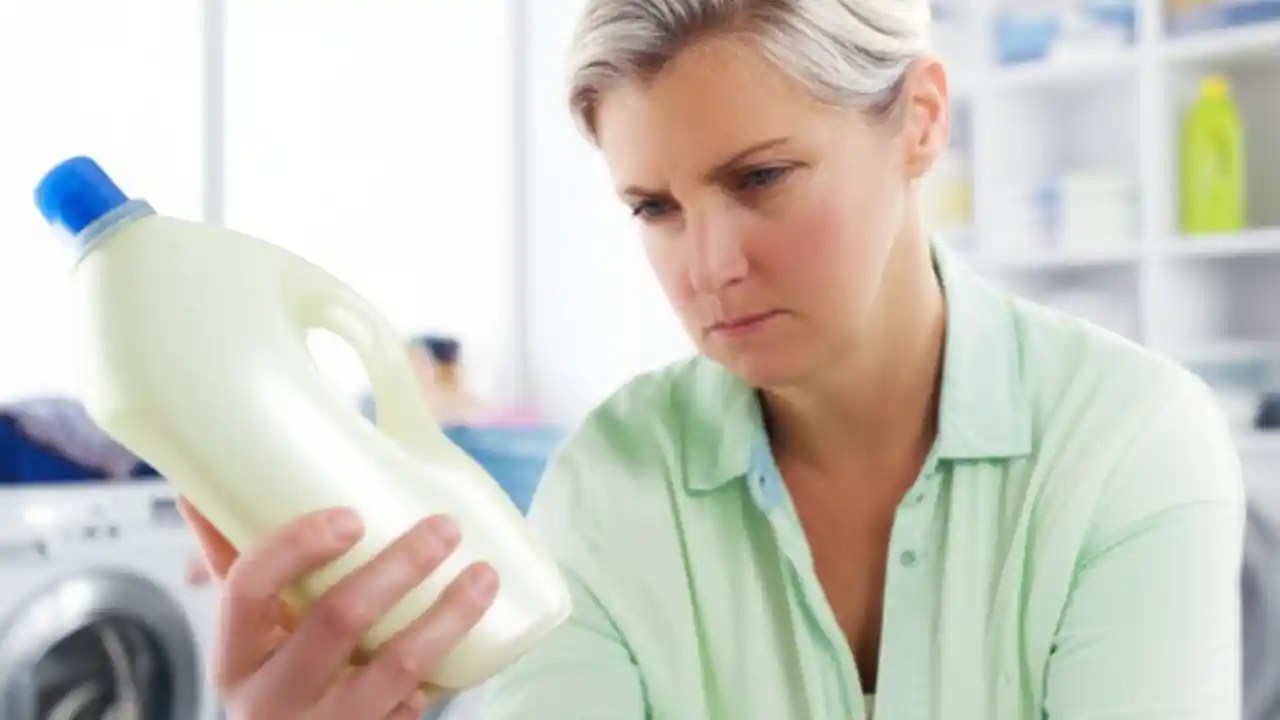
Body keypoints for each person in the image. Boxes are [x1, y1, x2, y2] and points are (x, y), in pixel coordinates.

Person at [184, 1, 1247, 718]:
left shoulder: (1127, 443)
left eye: (761, 178)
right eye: (653, 206)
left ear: (918, 122)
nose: (709, 266)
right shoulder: (614, 476)